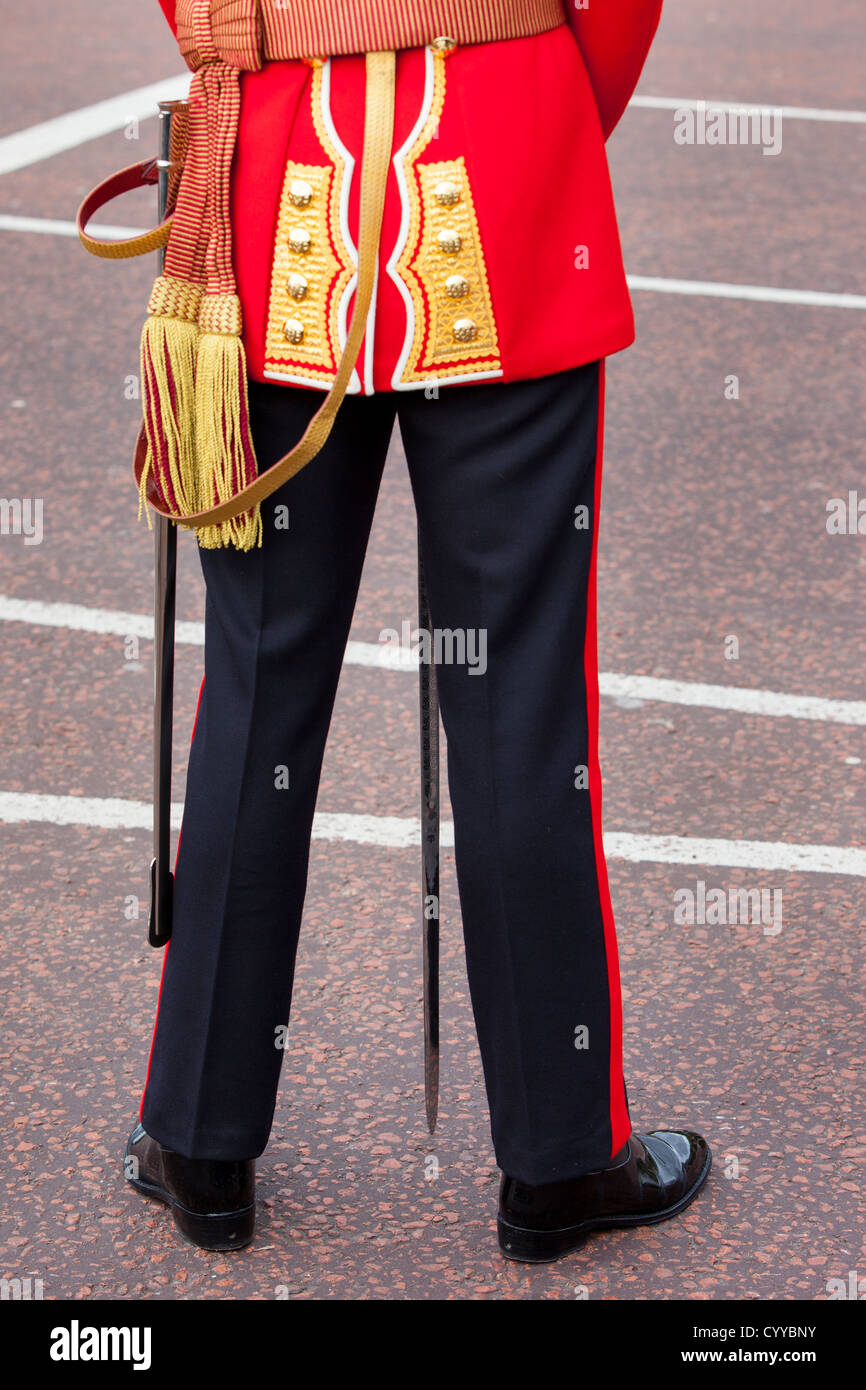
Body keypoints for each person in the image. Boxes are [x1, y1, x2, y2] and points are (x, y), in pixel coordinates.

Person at [100, 0, 711, 1258]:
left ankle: (203, 1141)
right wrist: (523, 91)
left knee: (257, 684)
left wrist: (270, 47)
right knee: (520, 700)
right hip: (500, 165)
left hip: (279, 186)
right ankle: (557, 1156)